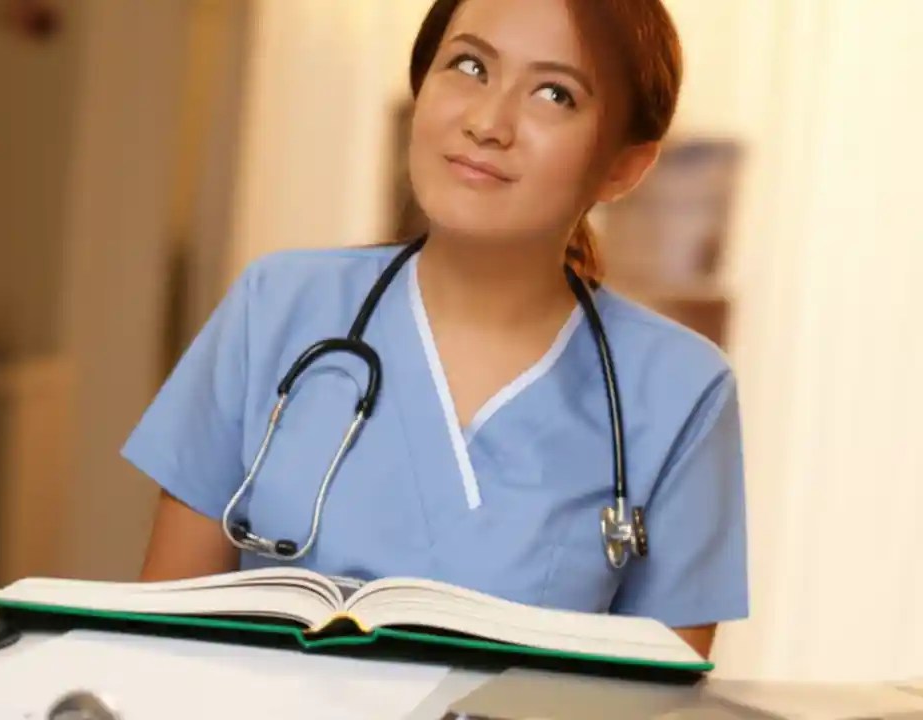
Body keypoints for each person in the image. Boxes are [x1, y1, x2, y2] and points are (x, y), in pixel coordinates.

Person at [121, 0, 746, 659]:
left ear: (626, 166)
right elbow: (159, 649)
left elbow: (662, 697)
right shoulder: (275, 306)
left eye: (555, 94)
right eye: (470, 66)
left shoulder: (682, 392)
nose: (488, 122)